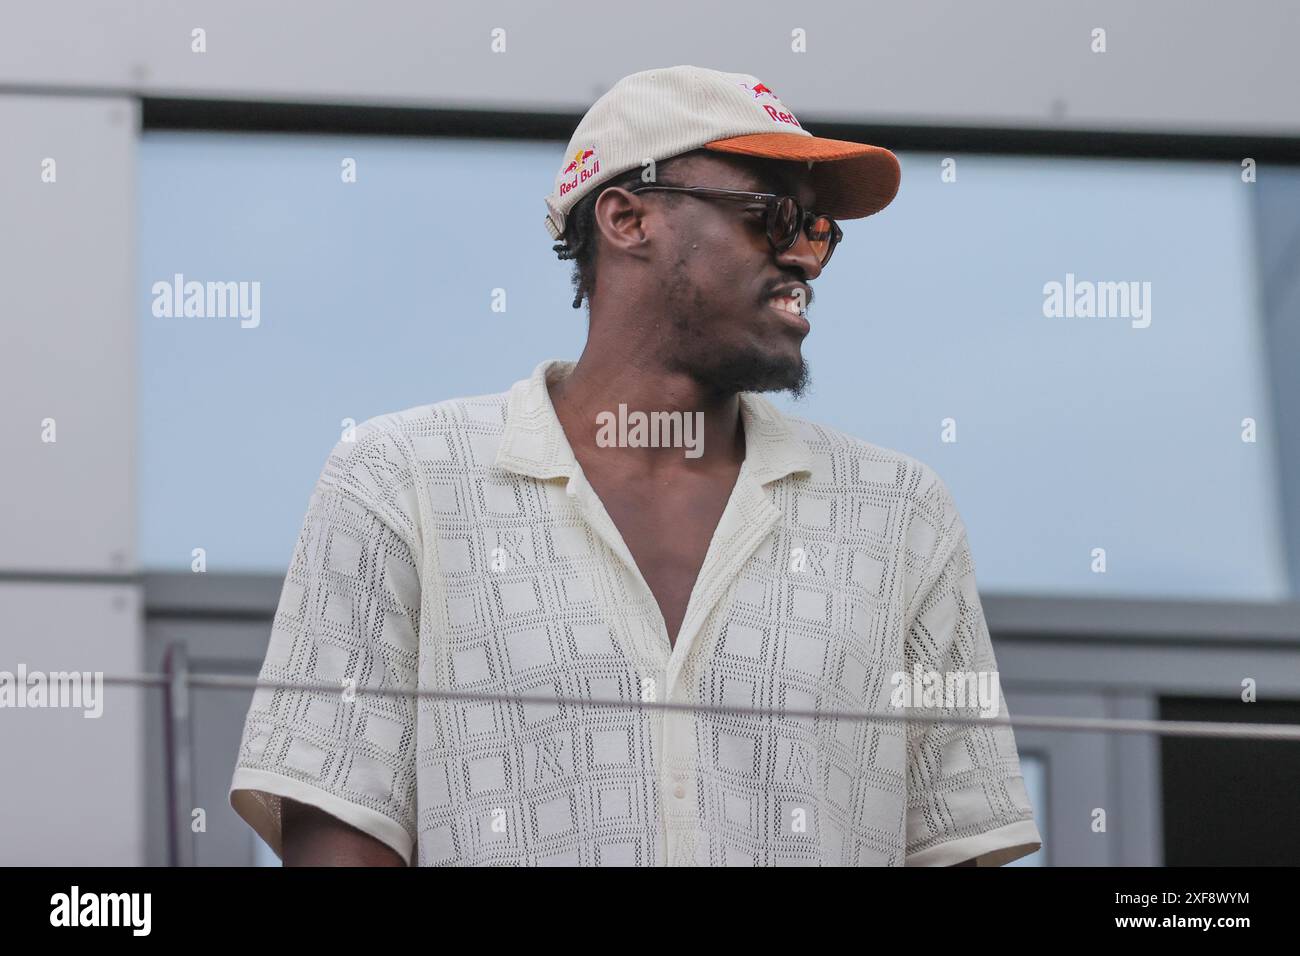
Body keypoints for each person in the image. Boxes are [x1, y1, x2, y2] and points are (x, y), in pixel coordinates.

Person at [229, 65, 1042, 867]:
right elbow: (341, 832)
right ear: (627, 218)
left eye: (820, 229)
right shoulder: (402, 482)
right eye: (775, 216)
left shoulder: (898, 513)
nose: (807, 259)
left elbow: (956, 844)